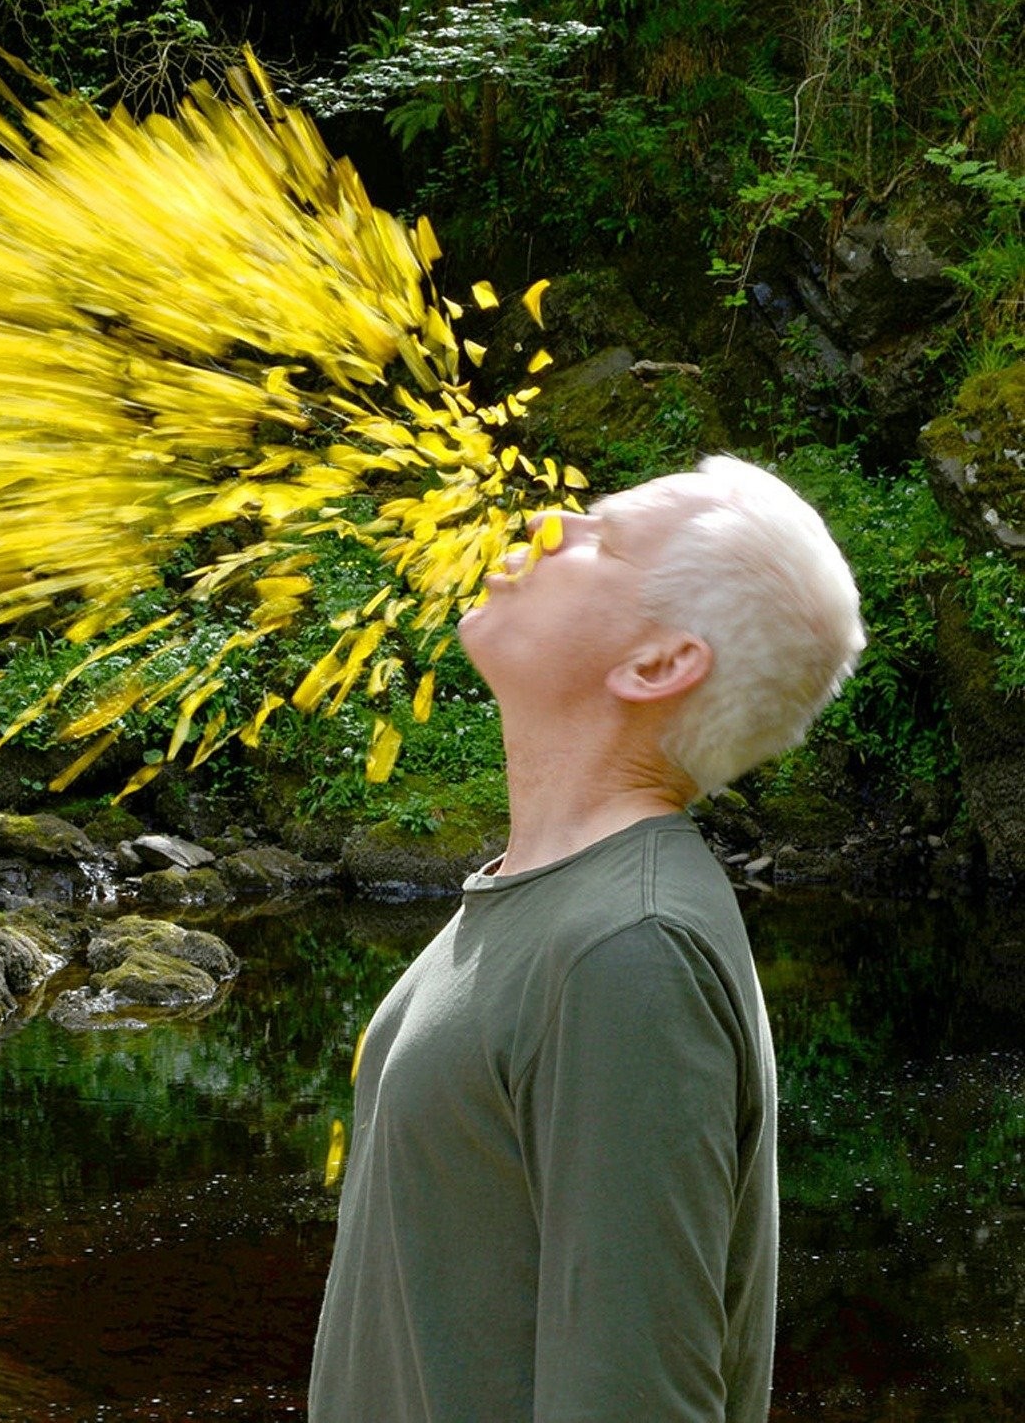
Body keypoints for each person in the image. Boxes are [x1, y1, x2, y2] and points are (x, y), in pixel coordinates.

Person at [308, 455, 865, 1422]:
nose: (556, 522)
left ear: (656, 665)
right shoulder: (555, 902)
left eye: (608, 538)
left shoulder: (628, 953)